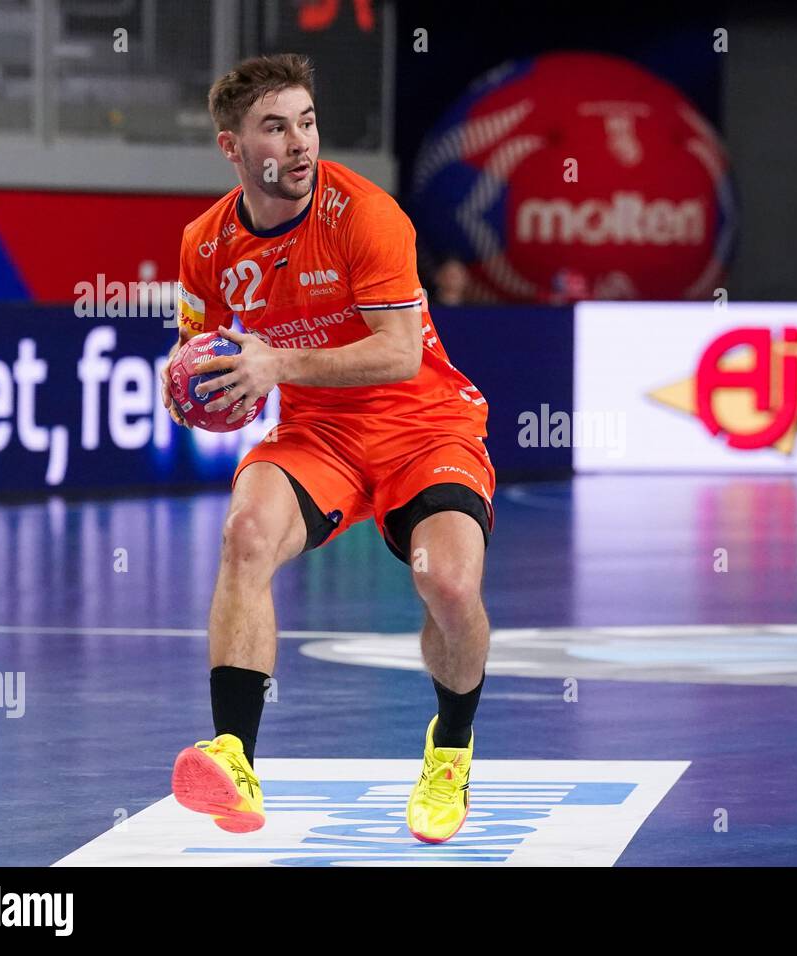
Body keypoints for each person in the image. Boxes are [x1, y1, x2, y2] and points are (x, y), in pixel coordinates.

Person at [160, 54, 494, 844]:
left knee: (447, 585)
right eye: (276, 127)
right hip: (321, 433)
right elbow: (200, 354)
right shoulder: (204, 246)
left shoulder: (366, 215)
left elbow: (401, 353)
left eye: (307, 121)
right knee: (244, 535)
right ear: (232, 148)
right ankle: (235, 758)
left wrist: (274, 362)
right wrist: (198, 390)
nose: (301, 142)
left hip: (425, 423)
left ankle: (450, 745)